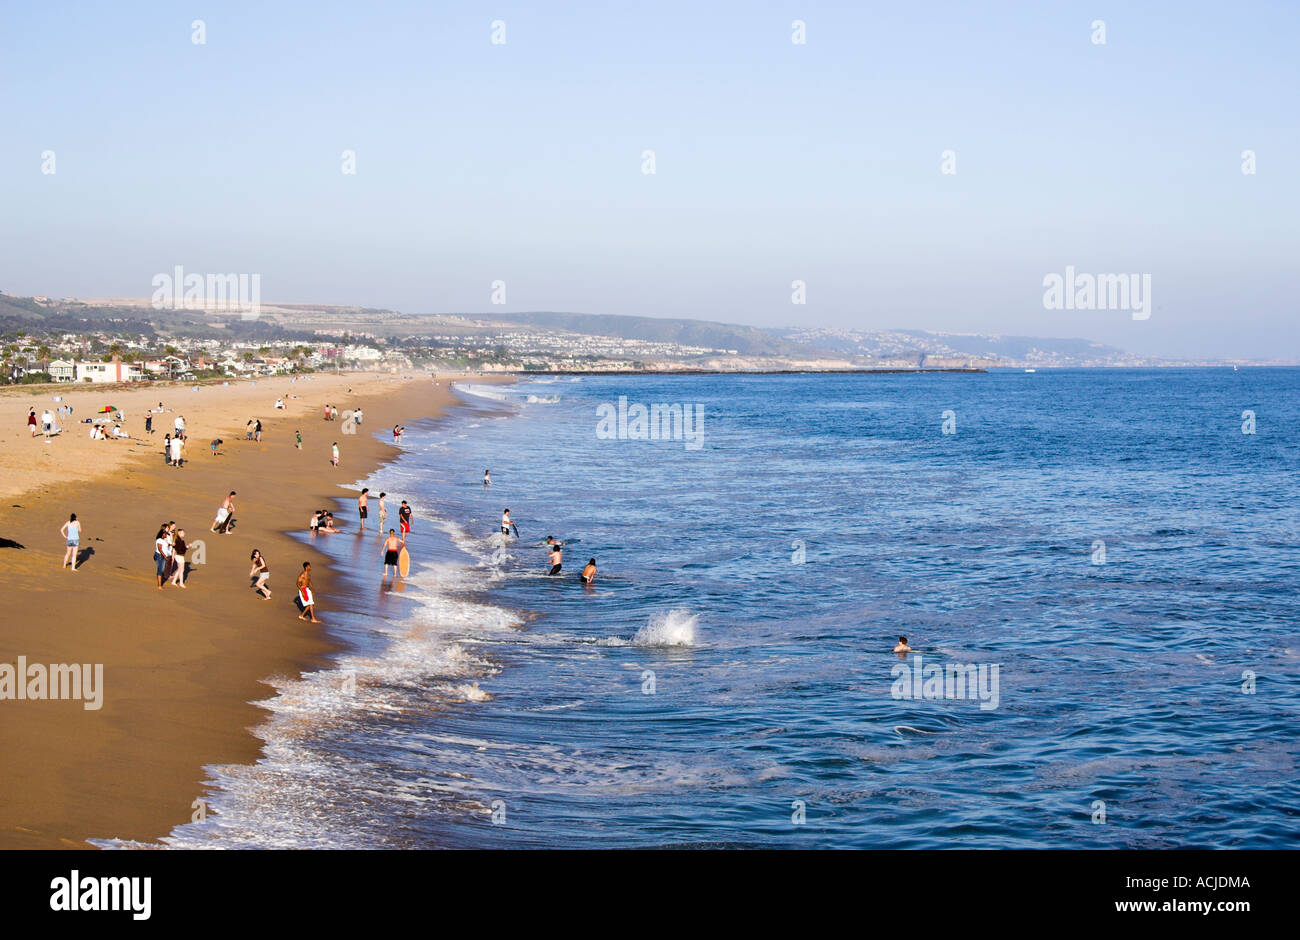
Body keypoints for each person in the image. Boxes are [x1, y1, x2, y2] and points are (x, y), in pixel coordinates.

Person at [154, 524, 172, 590]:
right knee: (160, 570)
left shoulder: (164, 540)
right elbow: (160, 549)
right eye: (164, 534)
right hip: (159, 556)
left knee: (161, 569)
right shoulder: (159, 540)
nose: (165, 535)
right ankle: (159, 586)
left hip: (163, 556)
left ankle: (160, 581)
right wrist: (165, 557)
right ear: (162, 534)